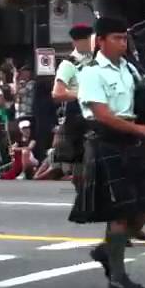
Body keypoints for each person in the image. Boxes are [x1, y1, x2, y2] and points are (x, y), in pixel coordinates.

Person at [68, 16, 145, 288]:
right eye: (117, 38)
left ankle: (106, 250)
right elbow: (103, 115)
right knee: (120, 212)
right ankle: (118, 278)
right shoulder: (90, 72)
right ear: (100, 41)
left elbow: (140, 101)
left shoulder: (129, 68)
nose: (123, 43)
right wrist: (141, 129)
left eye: (125, 38)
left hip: (133, 139)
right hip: (108, 140)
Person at [51, 23, 95, 183]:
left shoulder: (97, 61)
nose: (90, 43)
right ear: (76, 42)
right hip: (79, 115)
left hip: (99, 112)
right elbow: (57, 93)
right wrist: (82, 94)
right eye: (86, 40)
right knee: (81, 160)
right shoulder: (68, 64)